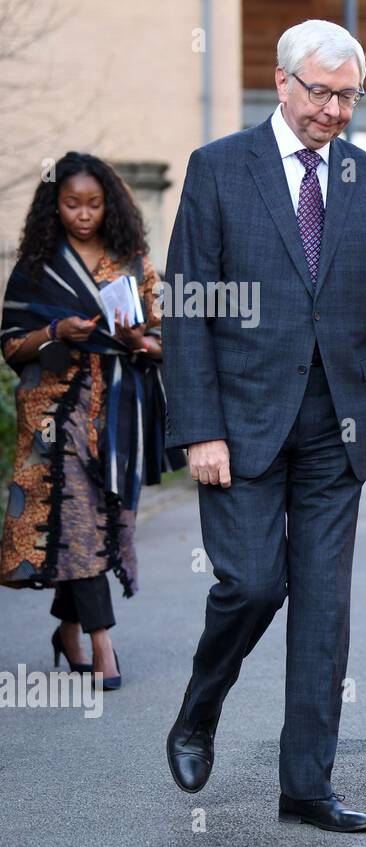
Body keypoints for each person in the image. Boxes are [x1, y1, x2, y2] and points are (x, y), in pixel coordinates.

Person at [162, 19, 366, 833]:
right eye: (322, 92)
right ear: (281, 83)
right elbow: (188, 310)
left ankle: (307, 786)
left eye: (349, 96)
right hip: (239, 426)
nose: (335, 111)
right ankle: (200, 709)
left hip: (336, 429)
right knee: (251, 585)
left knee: (322, 613)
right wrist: (199, 427)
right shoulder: (218, 170)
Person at [2, 152, 183, 689]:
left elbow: (168, 342)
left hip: (119, 415)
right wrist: (56, 333)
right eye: (71, 203)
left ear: (110, 205)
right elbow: (11, 346)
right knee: (76, 519)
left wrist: (136, 342)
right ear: (53, 205)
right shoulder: (35, 268)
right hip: (53, 415)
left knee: (97, 520)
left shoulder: (134, 264)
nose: (83, 214)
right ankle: (103, 648)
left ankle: (68, 633)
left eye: (94, 204)